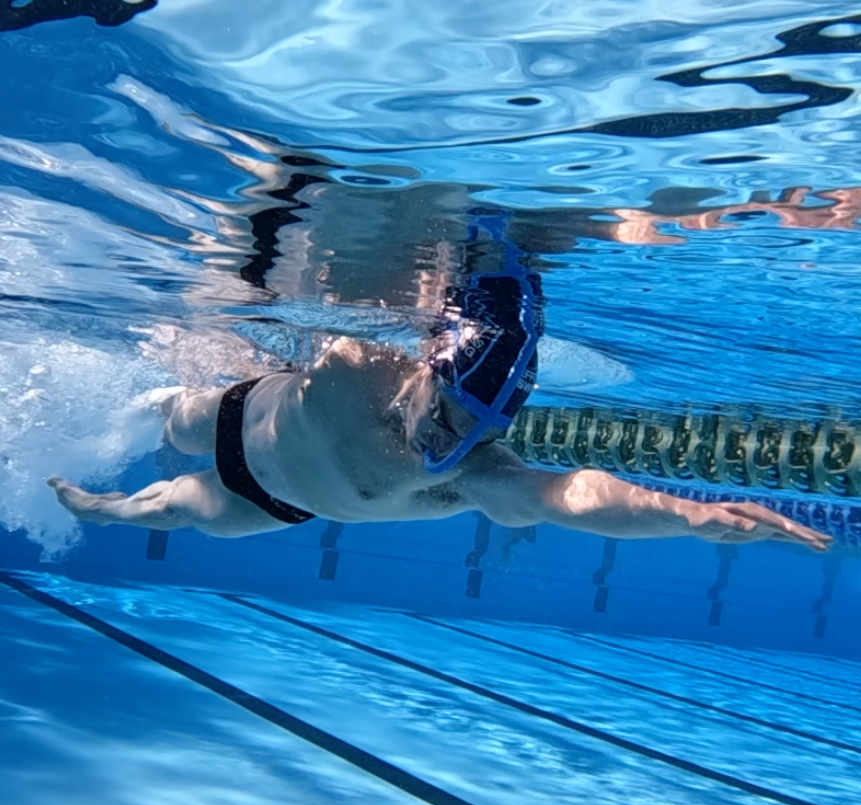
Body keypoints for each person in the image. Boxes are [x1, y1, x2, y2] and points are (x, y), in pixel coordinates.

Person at [49, 209, 831, 552]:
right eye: (448, 414)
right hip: (239, 413)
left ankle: (98, 507)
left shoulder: (475, 472)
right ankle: (120, 417)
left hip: (268, 502)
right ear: (428, 368)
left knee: (164, 509)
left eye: (470, 431)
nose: (443, 442)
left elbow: (569, 496)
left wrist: (684, 515)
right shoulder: (364, 353)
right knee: (169, 413)